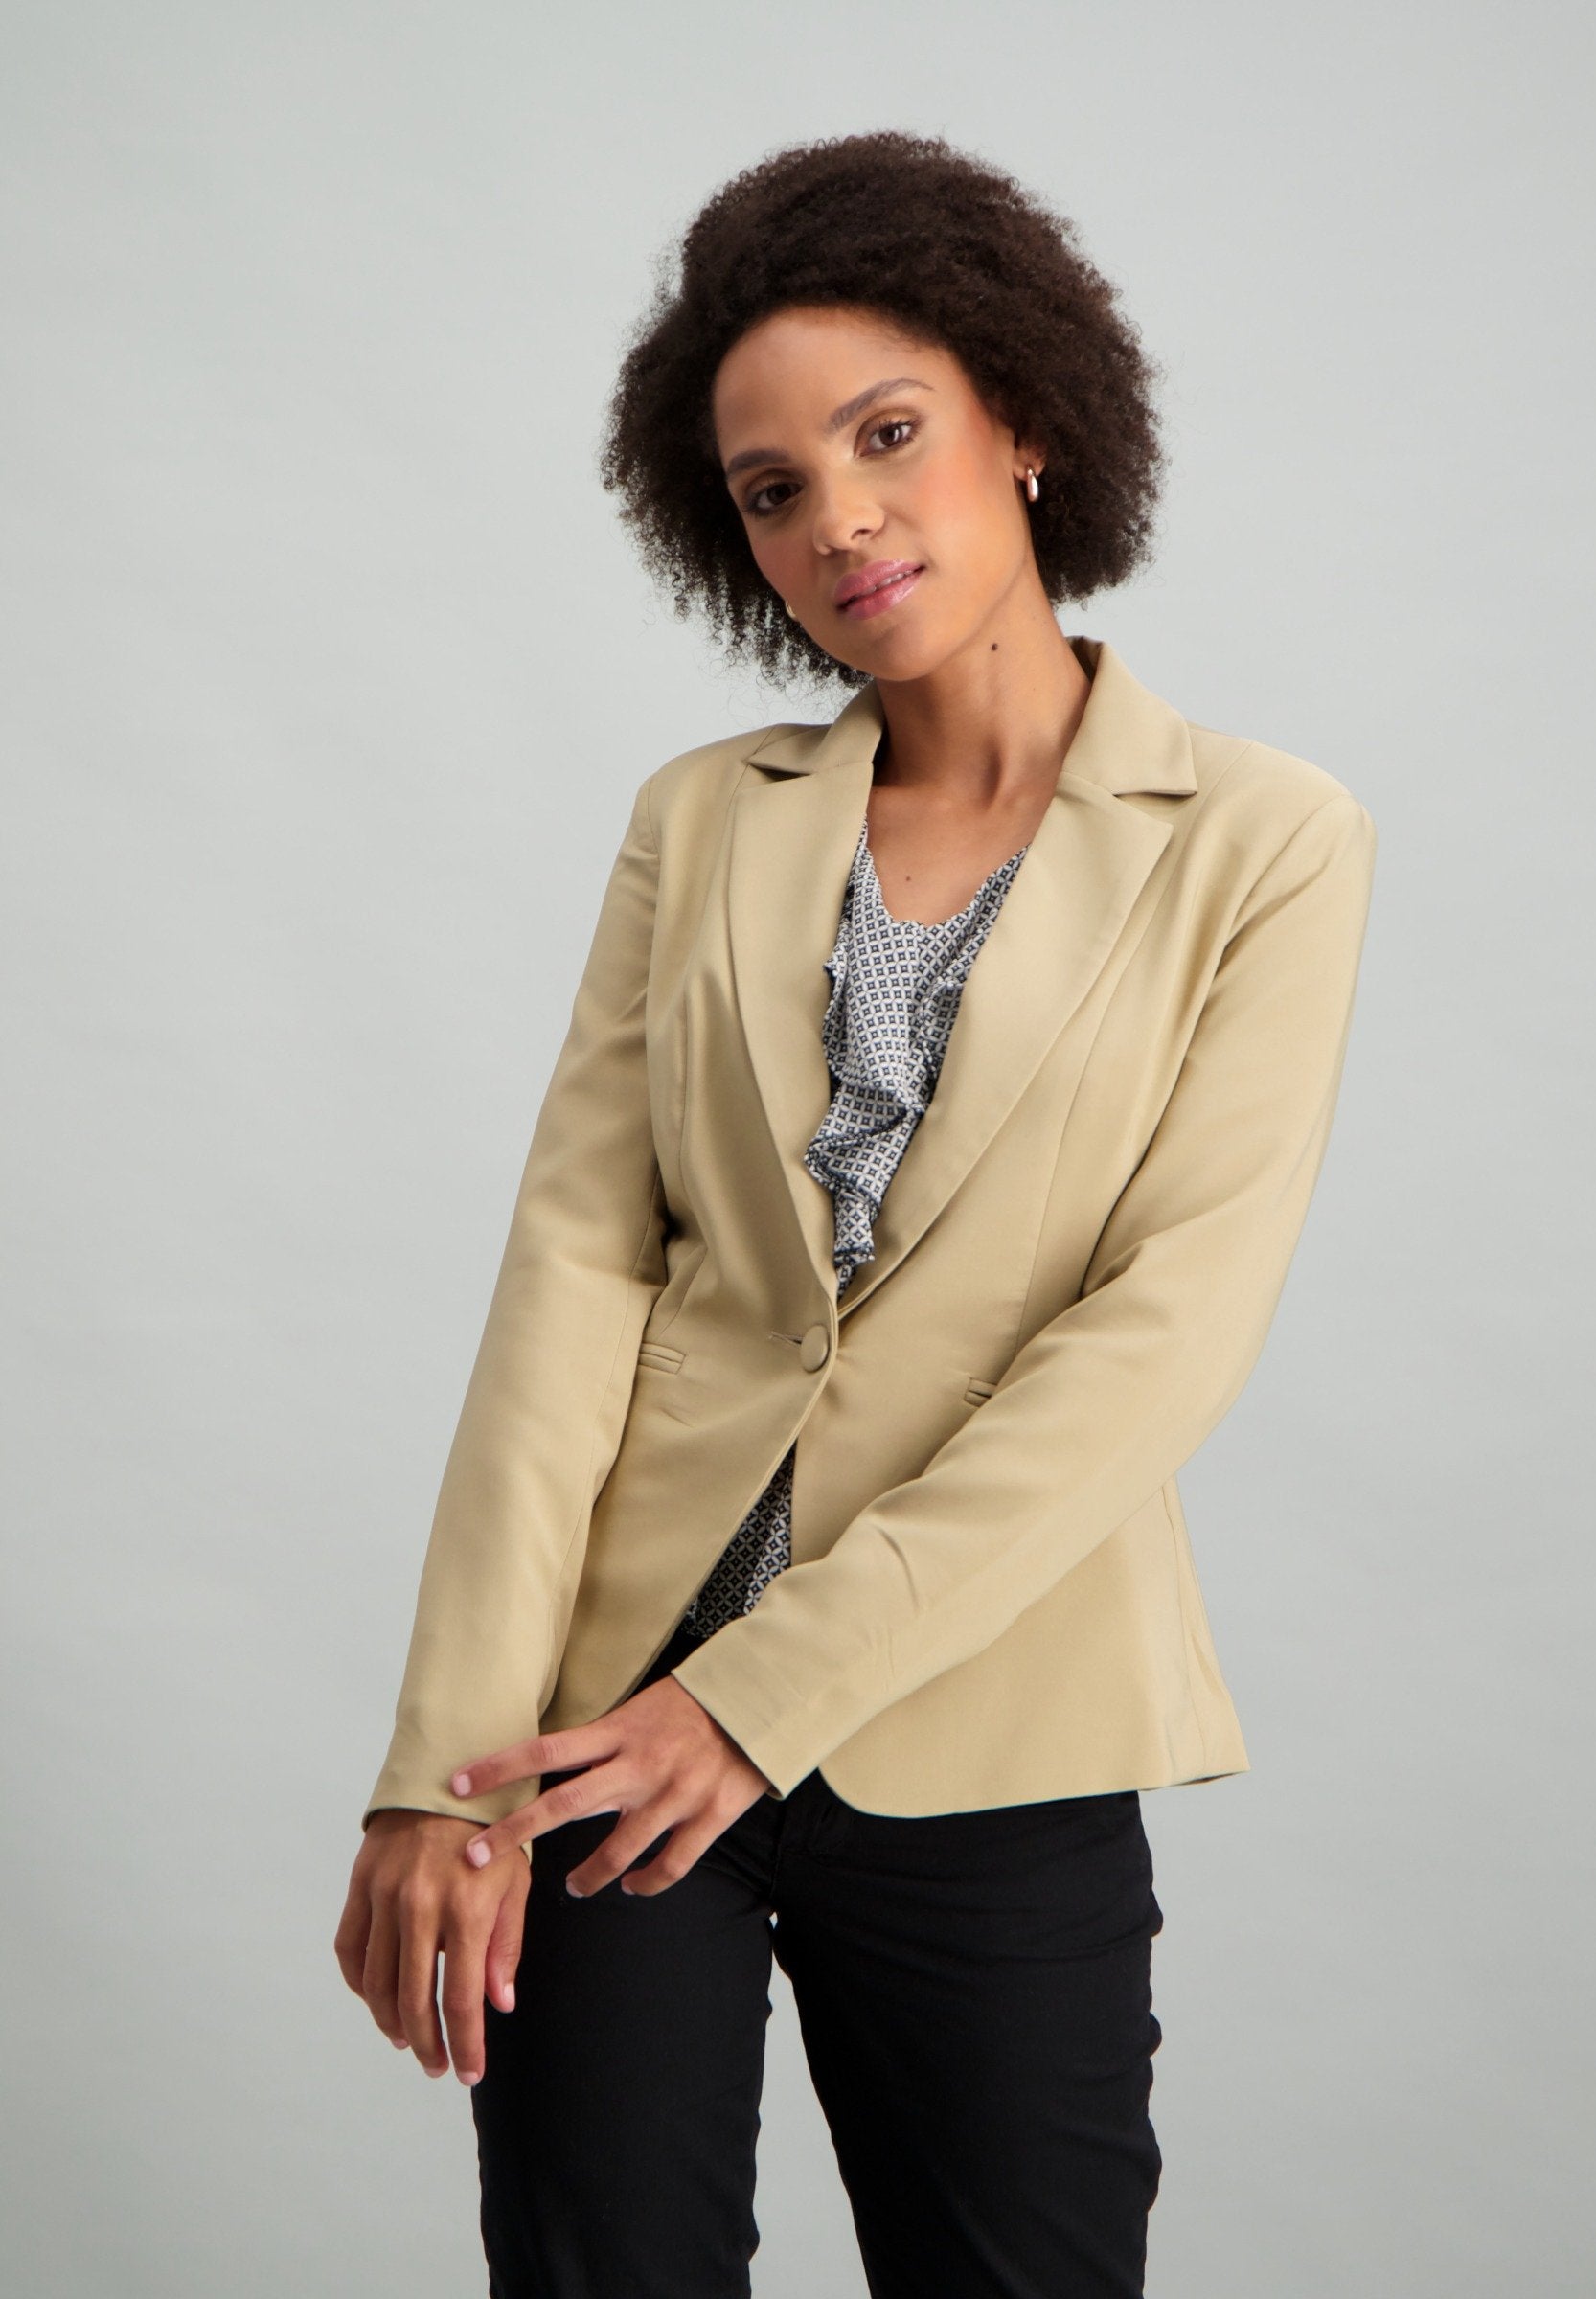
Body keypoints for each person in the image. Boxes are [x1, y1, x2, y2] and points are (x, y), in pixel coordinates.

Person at [334, 128, 1378, 2299]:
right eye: (772, 488)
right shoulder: (704, 822)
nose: (839, 518)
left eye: (888, 434)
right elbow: (576, 1278)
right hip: (609, 1722)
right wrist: (440, 1767)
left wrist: (761, 1696)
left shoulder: (1262, 841)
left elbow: (1159, 1333)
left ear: (1028, 420)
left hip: (988, 1710)